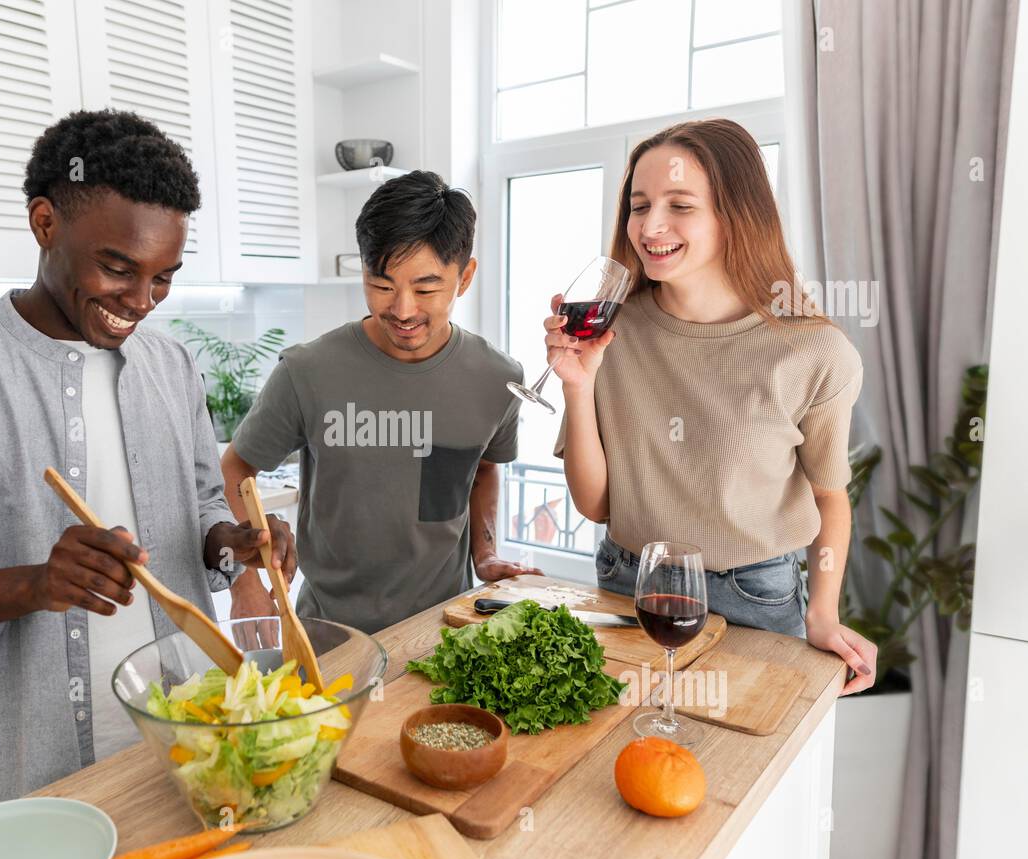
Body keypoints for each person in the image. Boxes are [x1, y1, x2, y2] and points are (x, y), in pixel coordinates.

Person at [0, 110, 294, 812]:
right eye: (117, 268)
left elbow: (205, 499)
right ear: (46, 222)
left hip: (188, 750)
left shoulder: (170, 364)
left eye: (164, 278)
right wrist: (34, 585)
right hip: (30, 775)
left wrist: (229, 541)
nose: (140, 303)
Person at [547, 118, 877, 694]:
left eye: (680, 205)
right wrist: (578, 386)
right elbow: (596, 505)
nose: (651, 226)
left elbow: (830, 497)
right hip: (629, 585)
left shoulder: (815, 350)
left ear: (735, 214)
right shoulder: (609, 330)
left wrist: (823, 615)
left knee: (744, 767)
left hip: (756, 598)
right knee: (616, 762)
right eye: (640, 203)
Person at [221, 171, 538, 637]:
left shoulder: (499, 379)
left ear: (465, 277)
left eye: (426, 288)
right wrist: (243, 579)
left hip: (446, 630)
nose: (403, 309)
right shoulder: (307, 370)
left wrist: (485, 552)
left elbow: (484, 468)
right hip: (325, 631)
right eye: (381, 284)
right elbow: (234, 470)